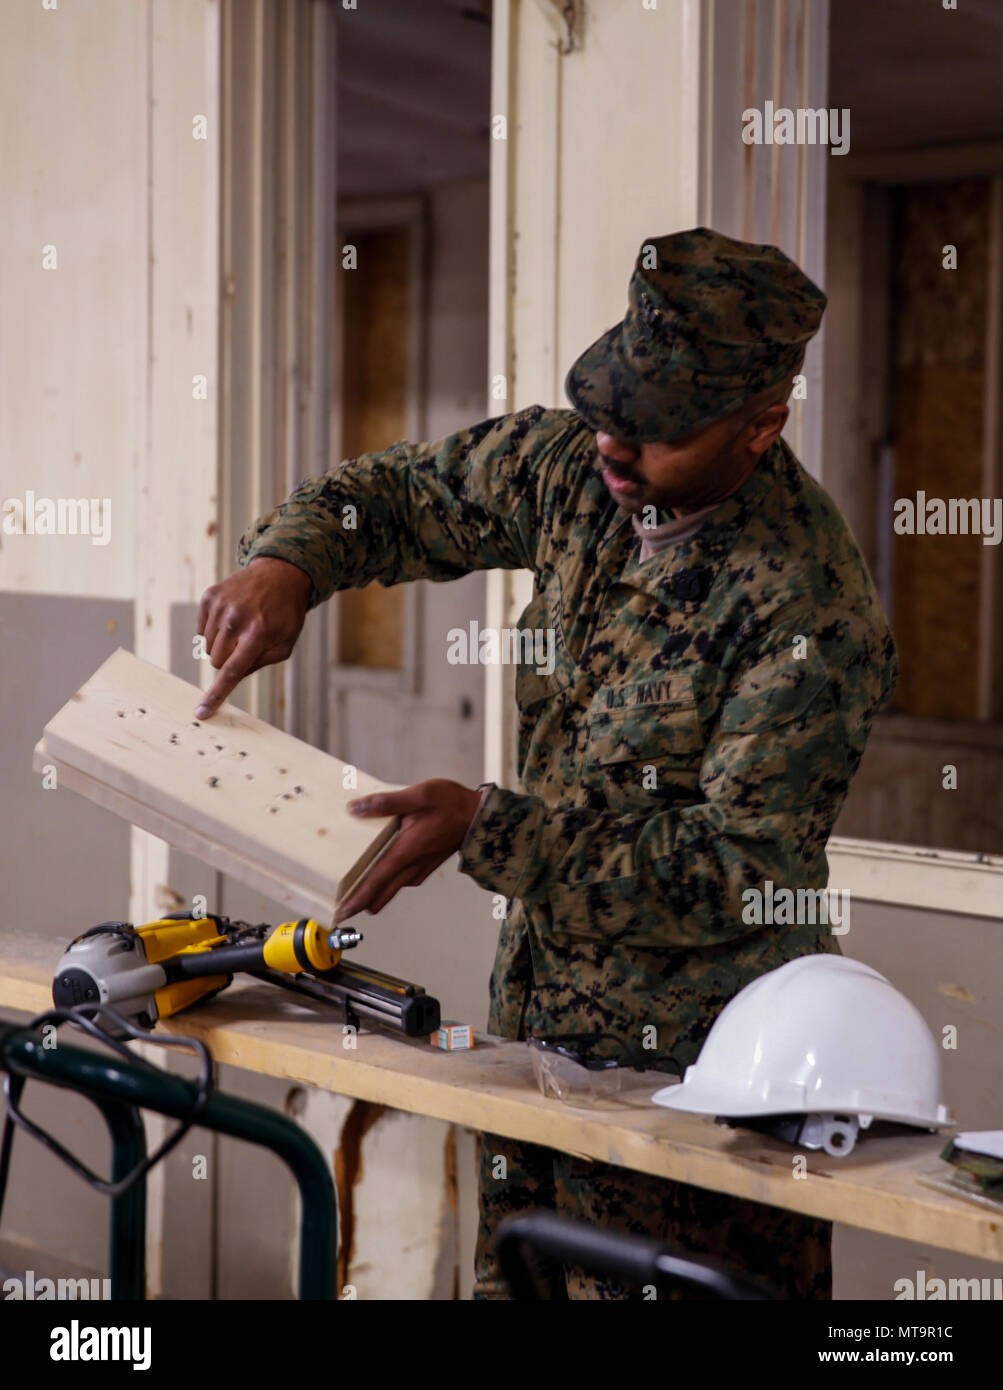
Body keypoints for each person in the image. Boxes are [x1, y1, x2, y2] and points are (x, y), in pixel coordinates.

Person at [195, 227, 897, 1299]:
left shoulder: (805, 607)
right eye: (609, 406)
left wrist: (490, 829)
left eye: (653, 429)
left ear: (760, 425)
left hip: (701, 1086)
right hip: (533, 1039)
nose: (613, 447)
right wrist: (289, 561)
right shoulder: (579, 469)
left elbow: (738, 867)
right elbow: (389, 497)